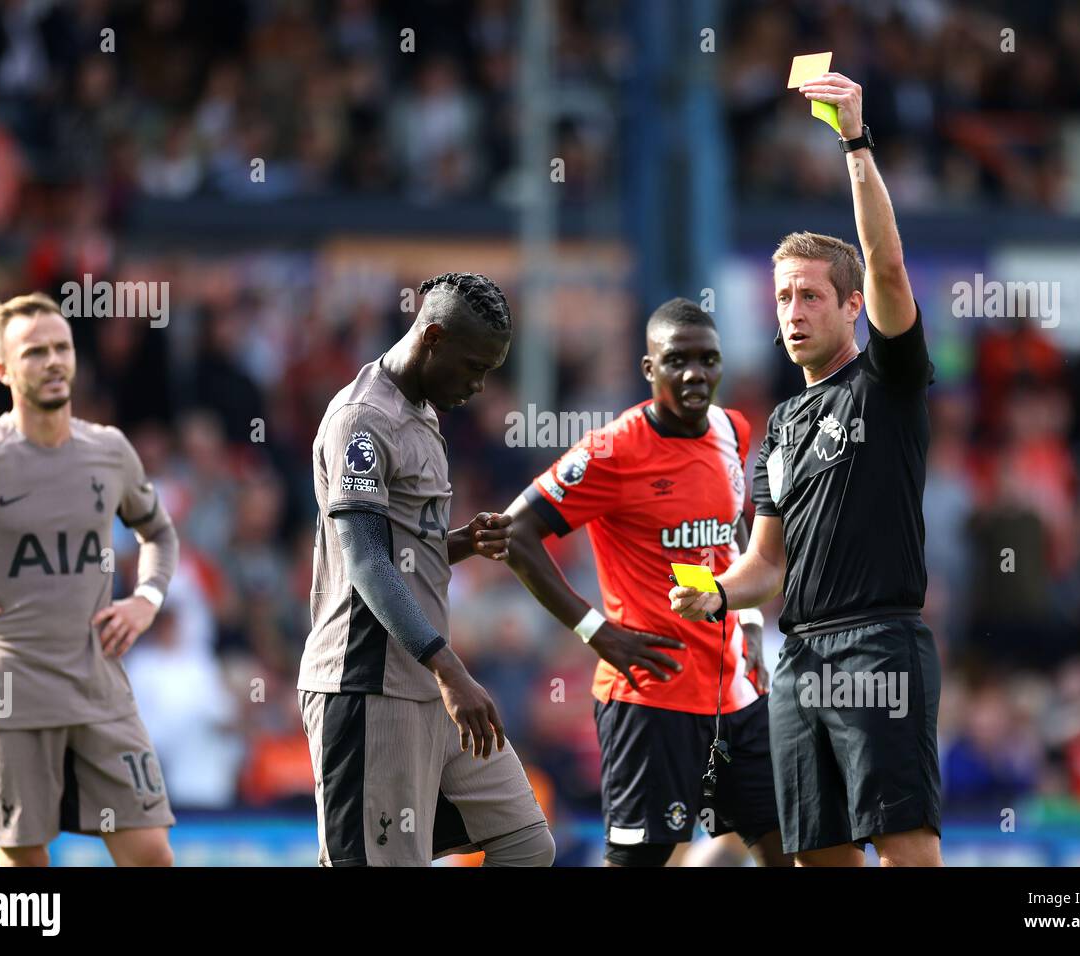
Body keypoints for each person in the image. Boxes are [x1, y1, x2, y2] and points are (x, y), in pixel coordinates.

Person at [670, 73, 942, 867]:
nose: (793, 311)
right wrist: (718, 592)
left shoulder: (888, 383)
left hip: (879, 647)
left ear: (852, 307)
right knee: (812, 860)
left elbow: (888, 265)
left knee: (905, 854)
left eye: (812, 297)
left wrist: (854, 141)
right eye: (784, 297)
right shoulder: (782, 424)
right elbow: (768, 562)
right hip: (800, 660)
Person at [501, 298, 790, 867]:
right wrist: (595, 631)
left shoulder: (731, 431)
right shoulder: (613, 451)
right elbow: (515, 533)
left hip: (735, 690)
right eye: (677, 360)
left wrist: (751, 619)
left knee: (786, 848)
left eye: (708, 360)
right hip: (651, 697)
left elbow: (729, 536)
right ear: (648, 368)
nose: (695, 374)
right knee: (641, 861)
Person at [0, 292, 178, 866]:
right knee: (26, 862)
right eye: (34, 352)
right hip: (16, 687)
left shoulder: (109, 449)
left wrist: (146, 599)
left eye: (62, 348)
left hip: (100, 683)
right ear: (3, 370)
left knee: (151, 853)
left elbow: (159, 532)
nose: (53, 361)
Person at [297, 272, 554, 867]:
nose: (479, 385)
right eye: (473, 367)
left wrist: (461, 542)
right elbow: (363, 557)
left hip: (426, 684)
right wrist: (449, 669)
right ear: (432, 336)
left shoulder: (424, 412)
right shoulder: (360, 421)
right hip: (367, 687)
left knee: (526, 845)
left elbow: (402, 547)